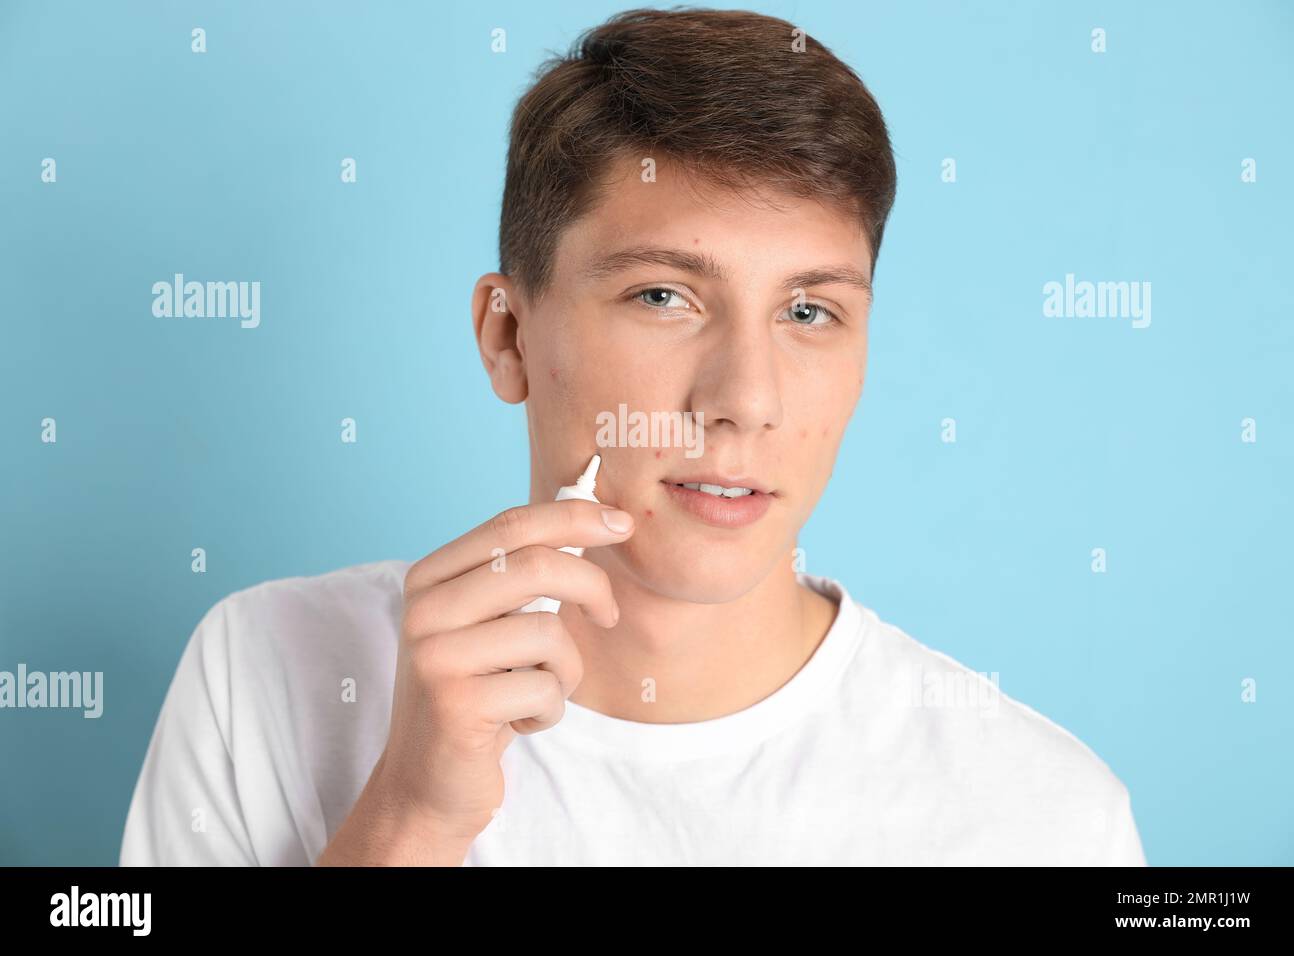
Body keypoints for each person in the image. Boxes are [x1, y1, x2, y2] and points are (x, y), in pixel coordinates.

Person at [120, 7, 1146, 866]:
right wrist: (411, 819)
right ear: (508, 334)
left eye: (808, 311)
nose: (743, 399)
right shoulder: (264, 671)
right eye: (664, 294)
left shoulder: (1041, 815)